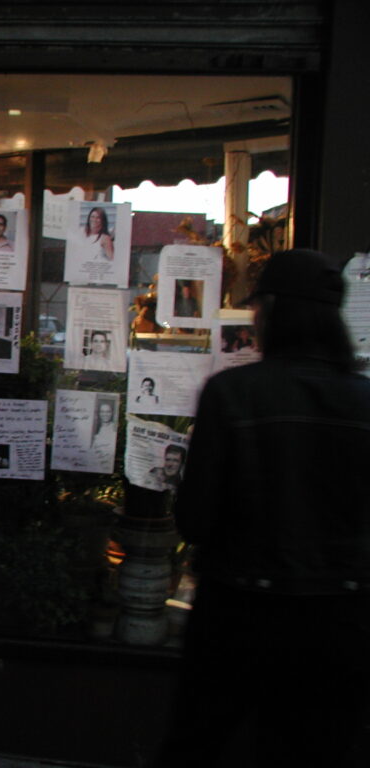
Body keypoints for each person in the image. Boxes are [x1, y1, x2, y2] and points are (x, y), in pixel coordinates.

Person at [154, 249, 370, 768]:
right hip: (343, 619)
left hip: (240, 613)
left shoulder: (234, 393)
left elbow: (196, 519)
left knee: (201, 748)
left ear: (271, 310)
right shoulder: (364, 400)